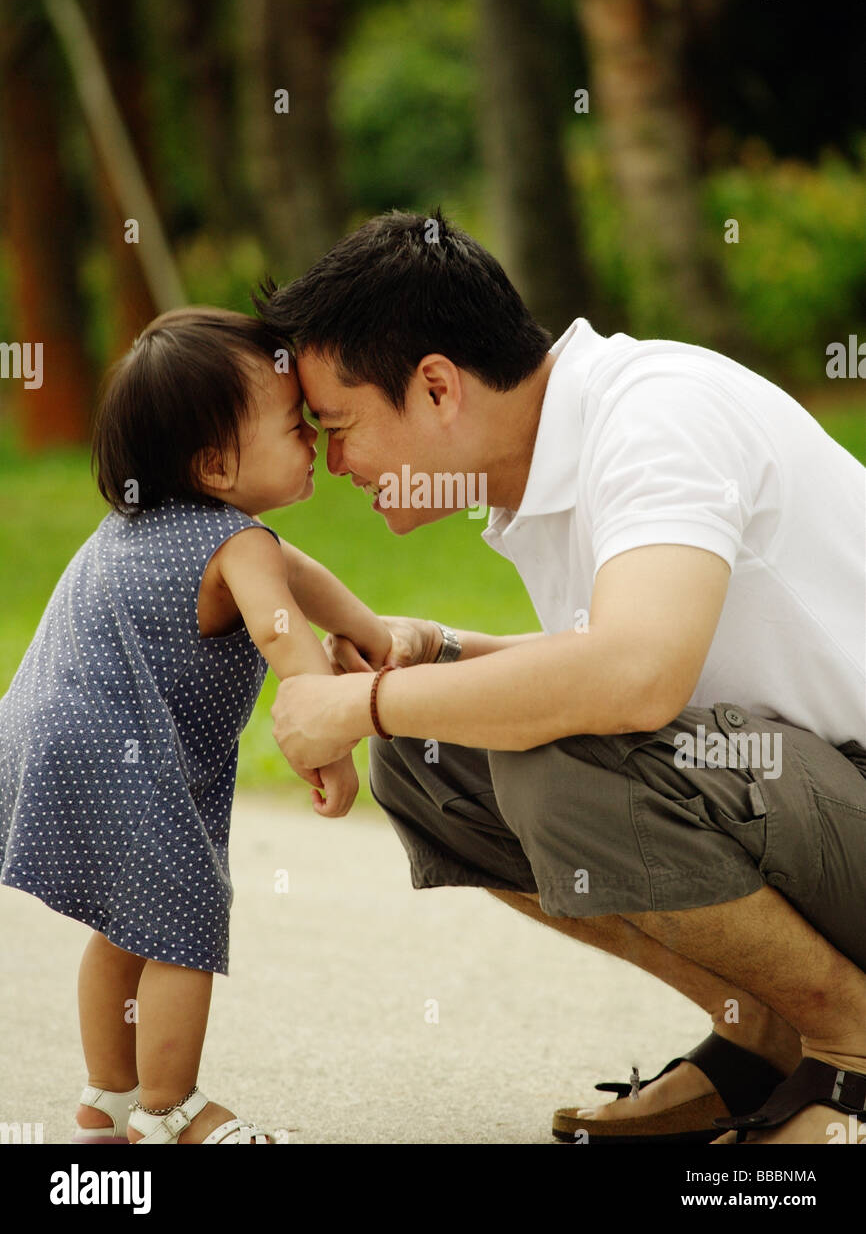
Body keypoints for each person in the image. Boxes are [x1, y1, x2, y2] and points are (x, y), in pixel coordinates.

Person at [257, 209, 866, 1146]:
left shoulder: (657, 416)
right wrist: (435, 653)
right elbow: (625, 668)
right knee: (425, 749)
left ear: (435, 387)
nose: (337, 464)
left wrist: (361, 698)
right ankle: (766, 1036)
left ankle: (854, 1044)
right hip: (816, 793)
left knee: (557, 762)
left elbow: (635, 680)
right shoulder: (545, 459)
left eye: (340, 426)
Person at [0, 307, 391, 1146]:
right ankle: (170, 1107)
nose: (314, 438)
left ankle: (108, 1097)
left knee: (126, 922)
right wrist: (334, 738)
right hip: (120, 750)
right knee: (184, 918)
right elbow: (281, 629)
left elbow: (292, 571)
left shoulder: (142, 527)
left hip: (45, 734)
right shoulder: (236, 543)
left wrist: (368, 625)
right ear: (217, 464)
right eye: (294, 426)